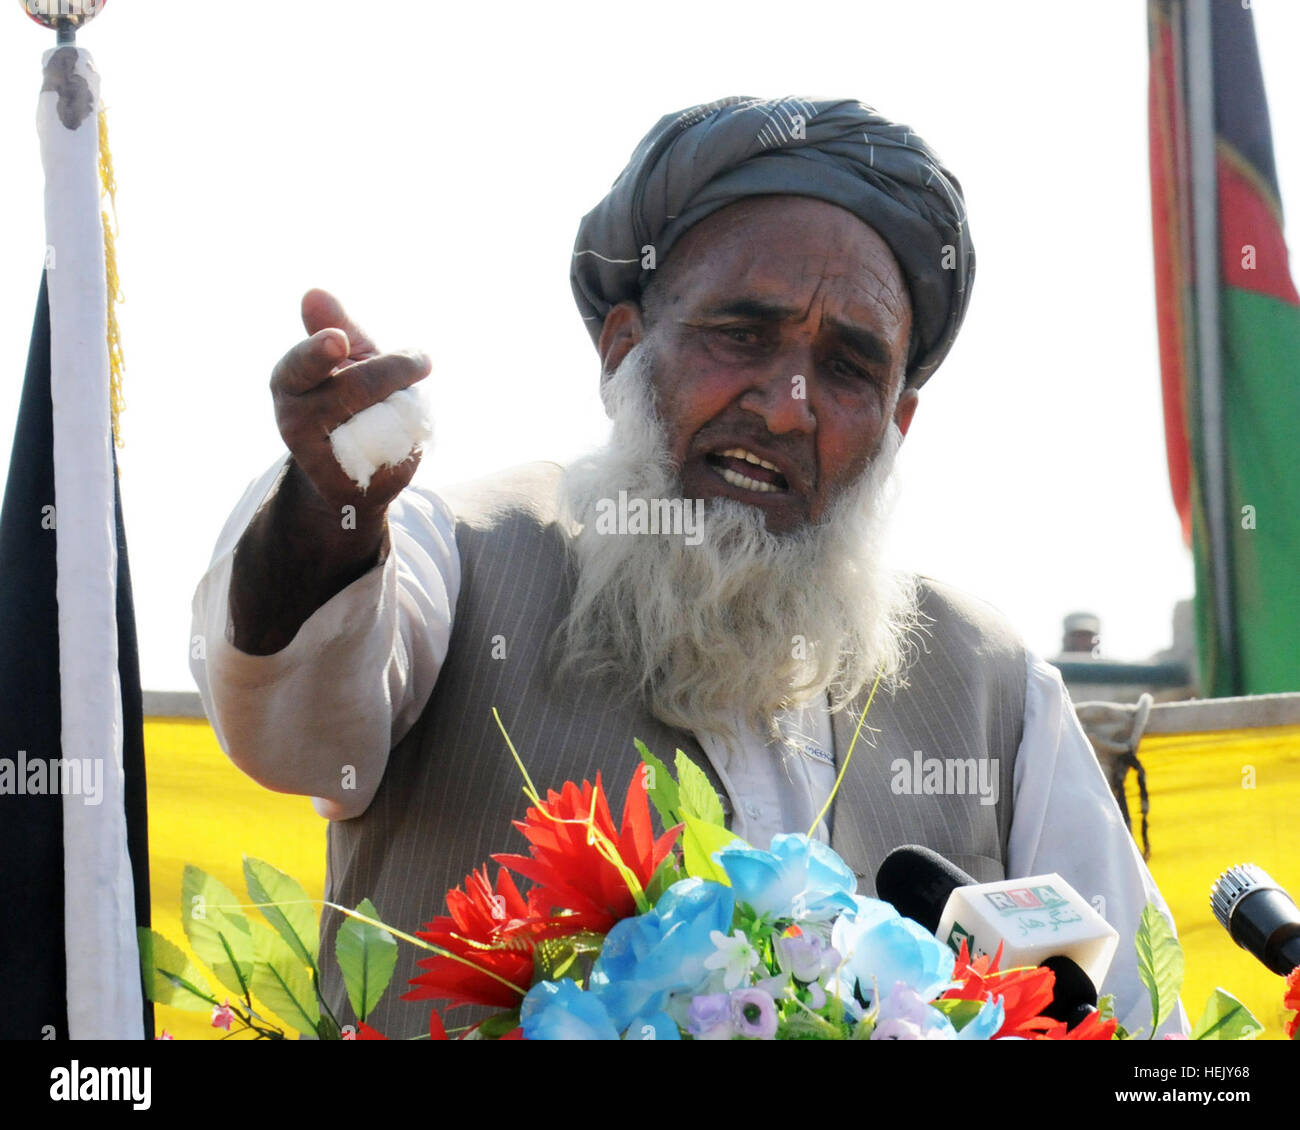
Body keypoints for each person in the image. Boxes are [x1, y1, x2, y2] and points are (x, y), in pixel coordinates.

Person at [191, 96, 1185, 1039]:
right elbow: (291, 728)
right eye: (742, 333)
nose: (788, 403)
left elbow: (1135, 1017)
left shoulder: (993, 687)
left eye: (847, 367)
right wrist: (332, 506)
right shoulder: (457, 553)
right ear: (625, 347)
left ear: (895, 424)